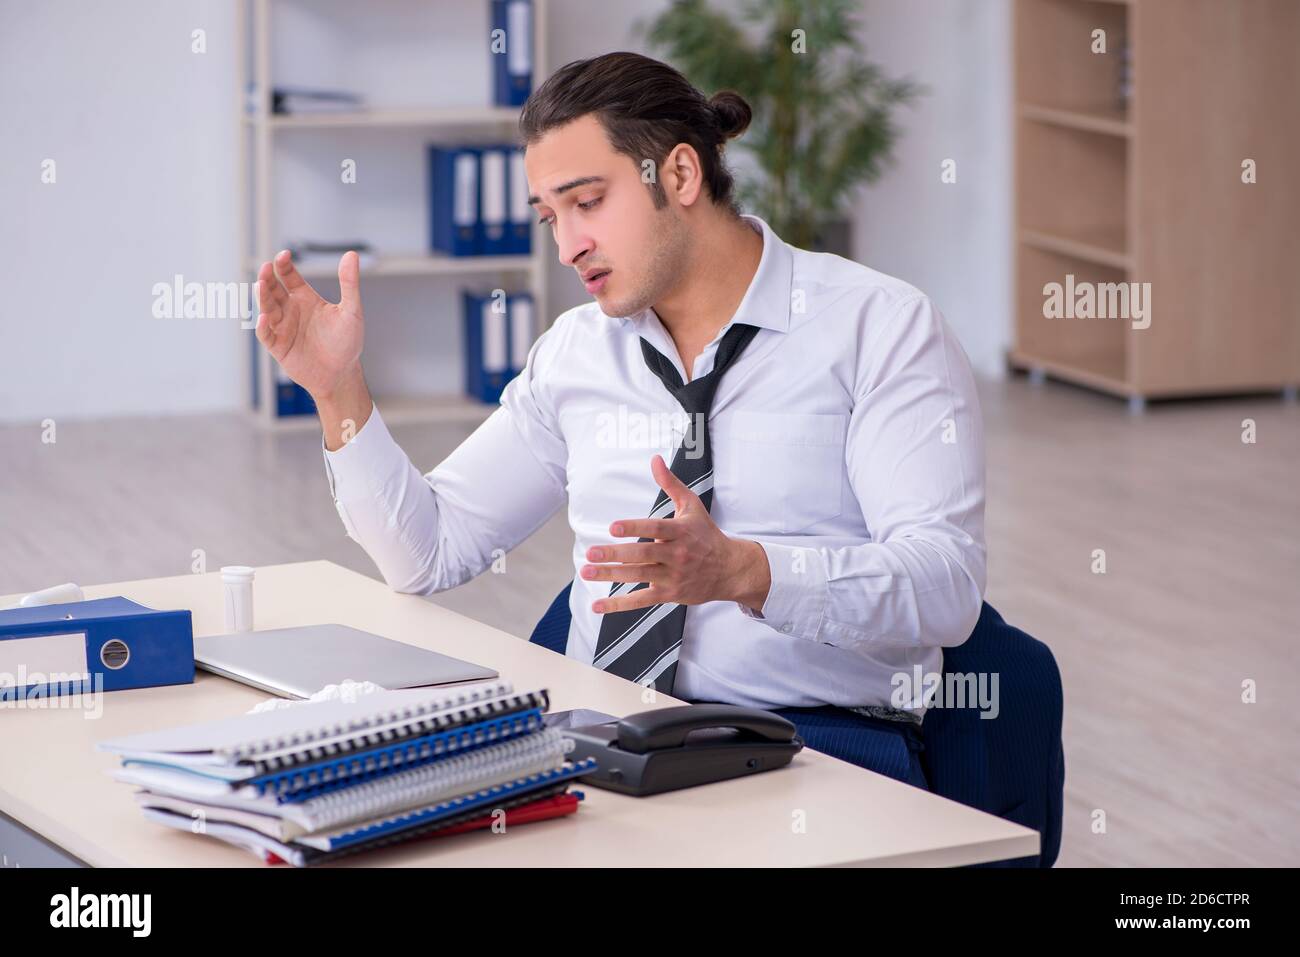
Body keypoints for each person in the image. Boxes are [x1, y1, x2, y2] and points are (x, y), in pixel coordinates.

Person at [252, 52, 986, 790]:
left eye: (588, 202)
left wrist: (747, 571)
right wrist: (338, 388)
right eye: (550, 217)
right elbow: (428, 551)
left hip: (821, 746)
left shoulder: (880, 328)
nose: (567, 245)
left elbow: (947, 583)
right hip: (605, 734)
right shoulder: (576, 352)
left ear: (679, 176)